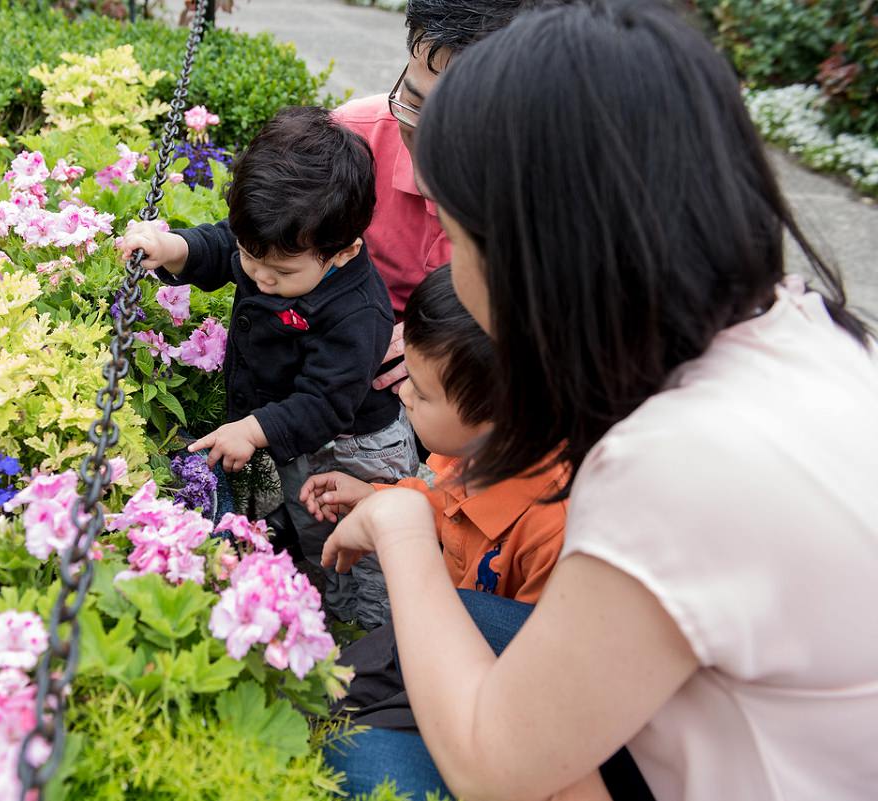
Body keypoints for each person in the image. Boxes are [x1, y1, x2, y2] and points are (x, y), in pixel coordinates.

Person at [320, 2, 878, 800]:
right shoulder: (797, 326)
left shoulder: (679, 462)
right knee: (451, 630)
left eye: (455, 226)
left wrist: (400, 522)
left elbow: (491, 766)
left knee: (347, 755)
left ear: (536, 249)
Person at [117, 106, 418, 628]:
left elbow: (325, 402)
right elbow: (219, 249)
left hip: (352, 448)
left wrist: (253, 430)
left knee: (353, 550)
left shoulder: (358, 311)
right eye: (249, 256)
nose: (256, 276)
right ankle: (309, 591)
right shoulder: (273, 248)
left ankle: (372, 635)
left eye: (278, 271)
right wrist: (173, 247)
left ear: (343, 252)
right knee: (302, 526)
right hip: (289, 429)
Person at [301, 265, 567, 604]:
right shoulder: (476, 452)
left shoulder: (552, 537)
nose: (404, 394)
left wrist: (403, 549)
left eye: (422, 392)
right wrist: (377, 495)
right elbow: (450, 512)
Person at [335, 0, 538, 392]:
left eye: (467, 120)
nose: (432, 142)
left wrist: (465, 336)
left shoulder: (567, 194)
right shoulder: (350, 144)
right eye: (415, 104)